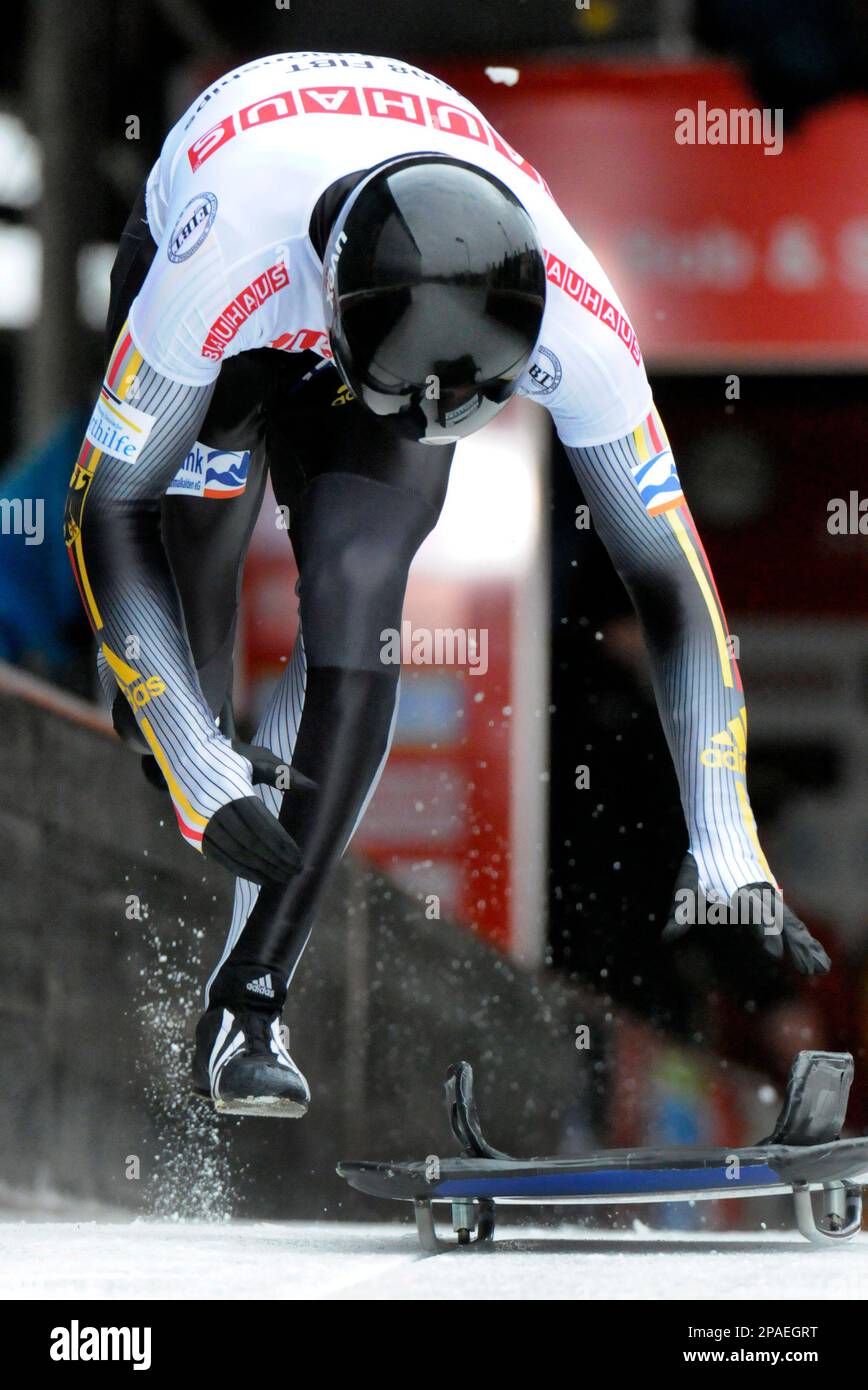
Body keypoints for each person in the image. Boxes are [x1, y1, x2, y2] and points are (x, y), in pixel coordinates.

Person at [64, 51, 829, 1118]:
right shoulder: (218, 258)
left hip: (368, 303)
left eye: (461, 405)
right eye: (407, 397)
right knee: (172, 686)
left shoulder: (575, 303)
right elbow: (108, 503)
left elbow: (667, 573)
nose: (430, 423)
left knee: (359, 604)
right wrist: (194, 756)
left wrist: (725, 839)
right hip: (230, 269)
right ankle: (168, 726)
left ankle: (248, 1004)